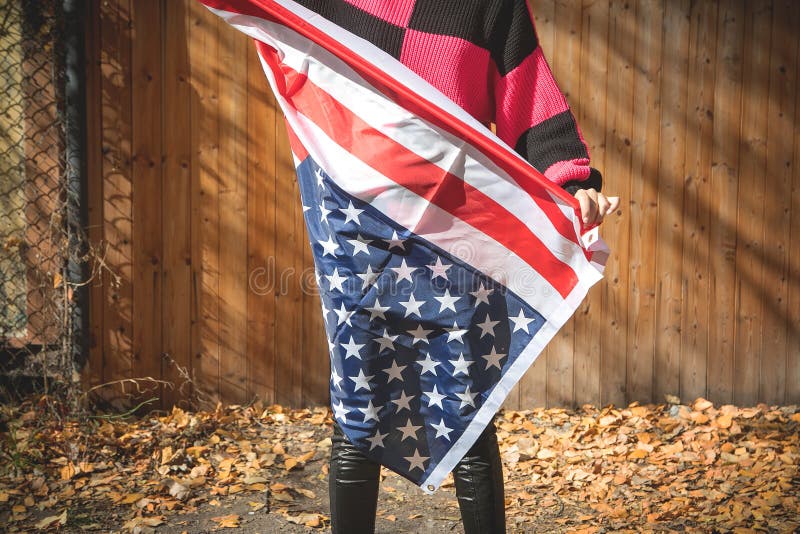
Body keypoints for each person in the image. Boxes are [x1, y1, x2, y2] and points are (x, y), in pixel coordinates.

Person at [299, 1, 621, 532]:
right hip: (359, 237)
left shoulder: (489, 4)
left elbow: (529, 96)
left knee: (469, 412)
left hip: (457, 236)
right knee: (359, 417)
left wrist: (572, 185)